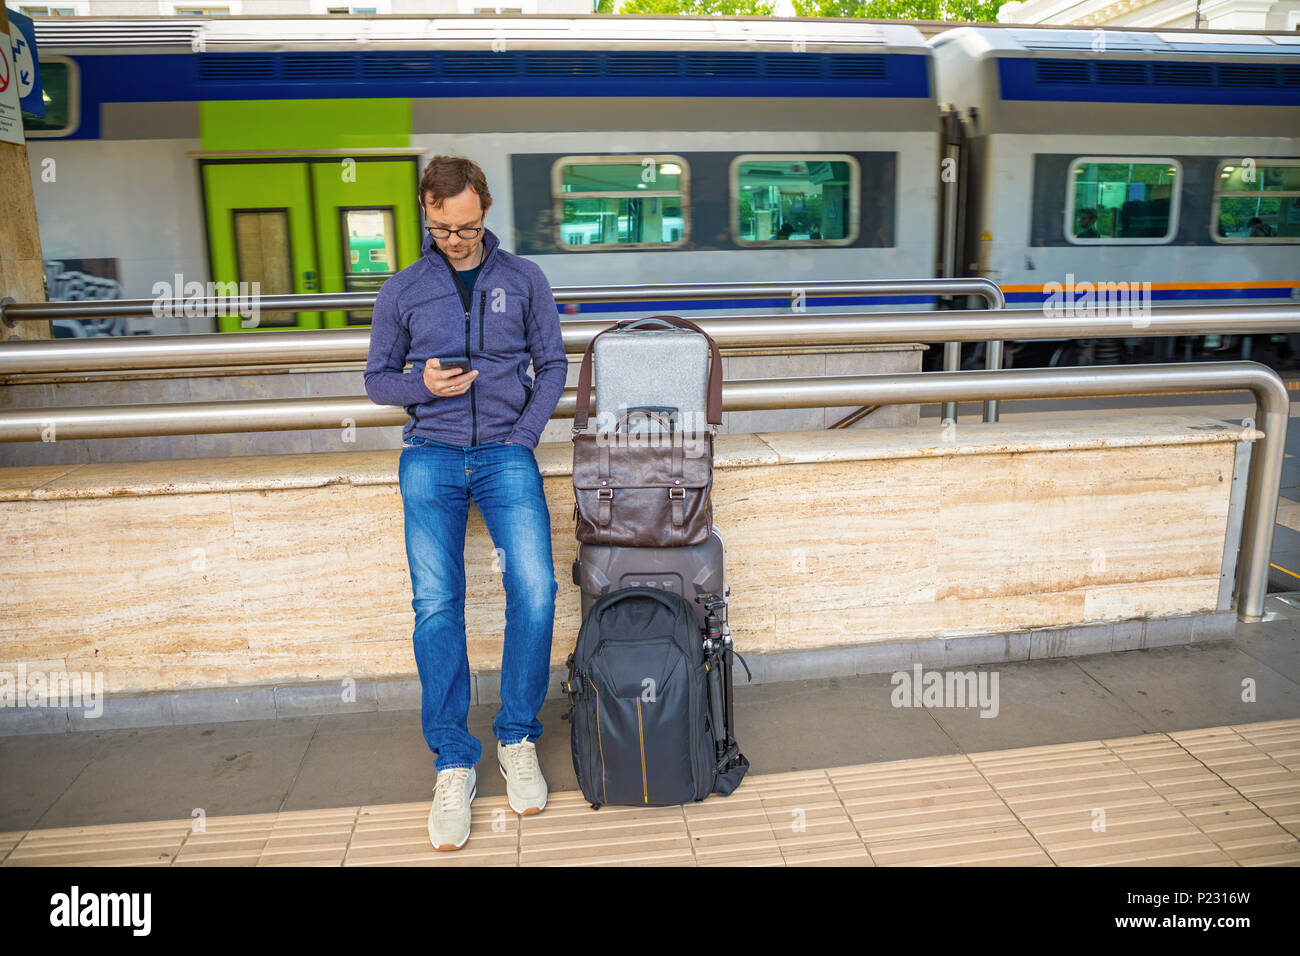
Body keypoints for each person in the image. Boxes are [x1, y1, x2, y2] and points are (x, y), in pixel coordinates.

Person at [363, 156, 567, 851]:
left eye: (471, 226)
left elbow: (555, 365)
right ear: (426, 211)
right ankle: (453, 760)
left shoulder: (524, 278)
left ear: (486, 211)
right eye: (446, 229)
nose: (459, 239)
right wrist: (420, 386)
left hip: (506, 454)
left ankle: (516, 736)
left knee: (535, 591)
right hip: (431, 456)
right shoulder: (402, 289)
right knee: (436, 604)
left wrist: (524, 437)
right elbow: (376, 382)